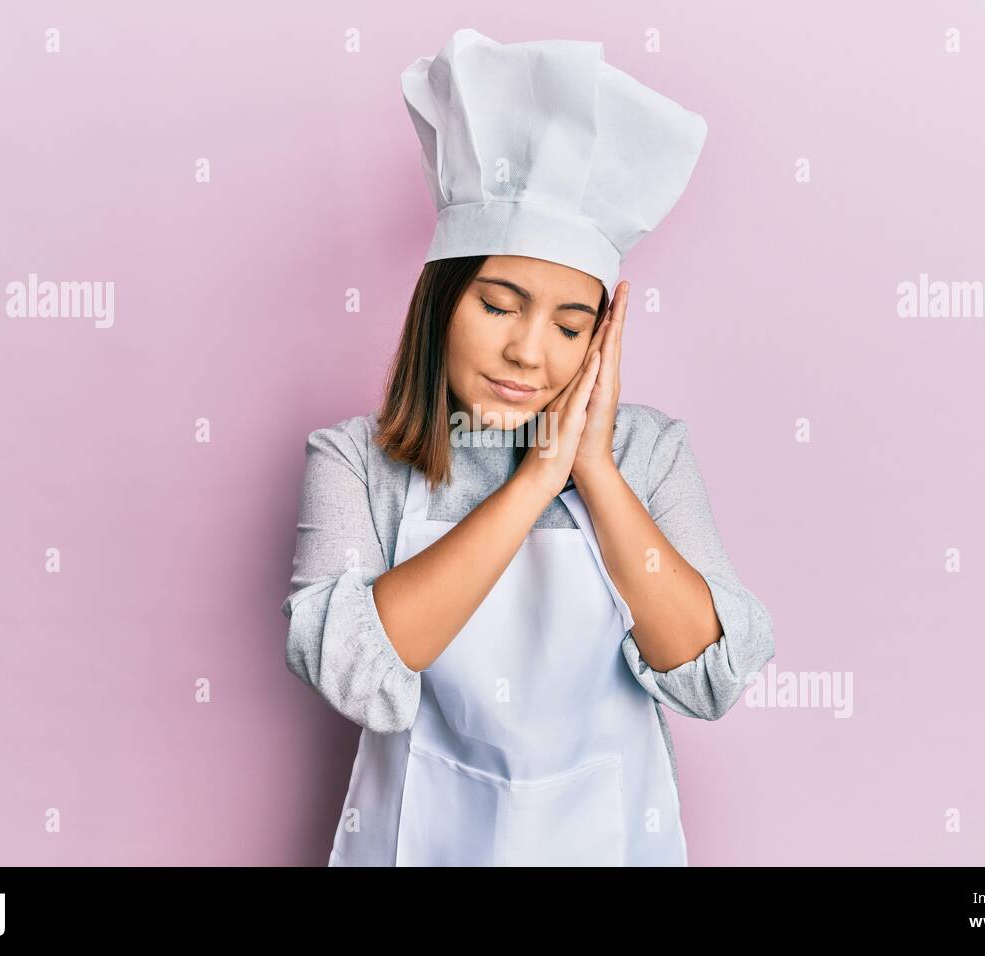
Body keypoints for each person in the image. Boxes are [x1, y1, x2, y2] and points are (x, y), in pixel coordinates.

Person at [283, 28, 775, 866]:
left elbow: (708, 673)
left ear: (601, 339)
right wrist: (537, 474)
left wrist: (594, 471)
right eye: (500, 305)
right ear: (442, 302)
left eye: (571, 325)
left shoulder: (649, 455)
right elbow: (357, 674)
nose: (529, 353)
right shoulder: (353, 461)